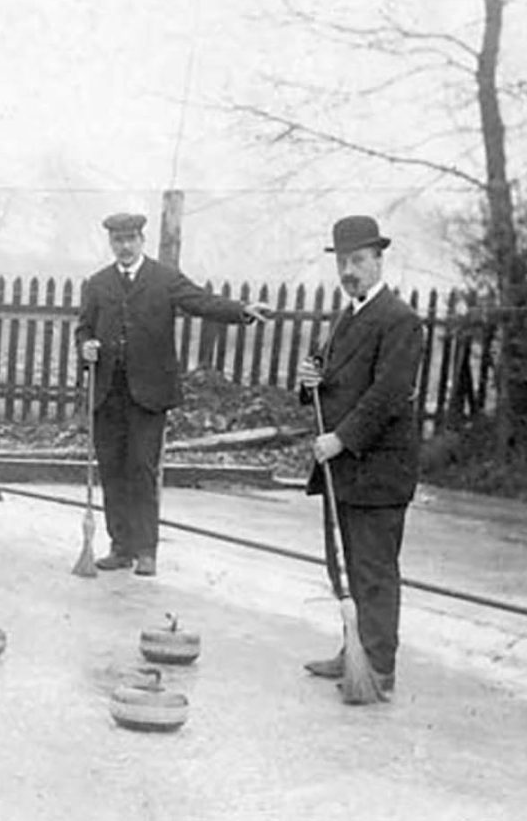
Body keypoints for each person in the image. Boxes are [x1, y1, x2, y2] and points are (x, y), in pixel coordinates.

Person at [75, 212, 270, 577]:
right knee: (113, 469)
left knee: (143, 469)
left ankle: (146, 550)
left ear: (142, 240)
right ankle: (121, 547)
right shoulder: (97, 284)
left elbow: (201, 301)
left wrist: (241, 311)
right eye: (119, 240)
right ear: (111, 243)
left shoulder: (163, 280)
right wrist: (85, 346)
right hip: (108, 394)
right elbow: (84, 327)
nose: (125, 246)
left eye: (131, 238)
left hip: (148, 394)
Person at [296, 215, 422, 698]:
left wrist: (341, 439)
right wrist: (311, 383)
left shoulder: (400, 320)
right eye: (343, 262)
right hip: (343, 468)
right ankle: (354, 651)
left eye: (358, 261)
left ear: (378, 260)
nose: (349, 270)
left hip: (377, 468)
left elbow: (388, 394)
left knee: (372, 569)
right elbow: (336, 384)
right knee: (344, 565)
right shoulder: (346, 316)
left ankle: (379, 668)